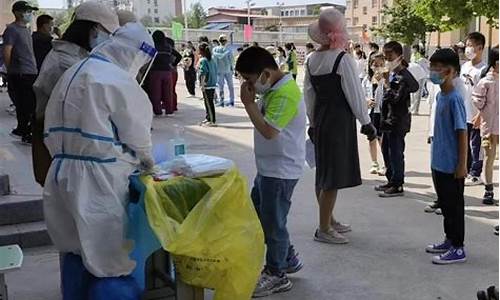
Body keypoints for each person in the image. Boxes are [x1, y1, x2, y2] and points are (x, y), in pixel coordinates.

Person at [43, 22, 156, 278]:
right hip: (98, 181)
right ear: (135, 54)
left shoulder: (74, 71)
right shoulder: (117, 80)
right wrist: (148, 162)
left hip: (60, 174)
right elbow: (138, 136)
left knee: (74, 251)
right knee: (109, 261)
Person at [236, 46, 305, 297]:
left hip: (280, 169)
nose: (248, 85)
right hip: (269, 167)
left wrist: (248, 105)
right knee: (262, 217)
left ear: (265, 74)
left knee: (273, 223)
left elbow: (269, 131)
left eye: (250, 79)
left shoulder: (285, 94)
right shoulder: (276, 89)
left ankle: (277, 273)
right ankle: (288, 258)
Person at [305, 8, 376, 244]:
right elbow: (354, 95)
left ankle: (329, 219)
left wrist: (313, 122)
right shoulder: (342, 59)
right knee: (332, 177)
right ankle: (324, 228)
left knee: (323, 173)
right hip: (339, 122)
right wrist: (366, 122)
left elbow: (309, 95)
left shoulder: (310, 59)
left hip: (321, 119)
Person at [32, 1, 119, 187]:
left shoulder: (77, 56)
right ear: (94, 29)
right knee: (67, 200)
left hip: (69, 140)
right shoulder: (66, 61)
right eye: (107, 33)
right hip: (57, 140)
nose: (109, 40)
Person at [425, 48, 467, 265]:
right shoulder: (441, 95)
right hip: (439, 162)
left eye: (438, 68)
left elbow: (462, 132)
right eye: (432, 67)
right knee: (445, 205)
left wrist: (462, 164)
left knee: (454, 207)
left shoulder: (454, 99)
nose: (433, 71)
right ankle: (449, 240)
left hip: (452, 165)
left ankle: (458, 248)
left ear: (451, 71)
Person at [375, 41, 419, 197]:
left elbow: (396, 98)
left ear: (399, 56)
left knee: (396, 152)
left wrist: (387, 84)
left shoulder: (403, 75)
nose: (387, 60)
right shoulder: (392, 73)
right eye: (385, 56)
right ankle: (390, 179)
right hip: (387, 119)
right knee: (386, 150)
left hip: (398, 120)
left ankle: (398, 183)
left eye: (390, 56)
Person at [3, 1, 39, 144]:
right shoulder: (12, 29)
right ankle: (24, 131)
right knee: (25, 104)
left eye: (30, 11)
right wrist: (11, 70)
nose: (29, 14)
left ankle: (25, 129)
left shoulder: (26, 29)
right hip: (21, 73)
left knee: (30, 103)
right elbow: (7, 50)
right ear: (17, 12)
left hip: (30, 71)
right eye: (27, 11)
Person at [472, 46, 499, 205]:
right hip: (489, 126)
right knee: (489, 157)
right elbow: (479, 102)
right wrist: (479, 116)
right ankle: (488, 189)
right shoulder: (486, 82)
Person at [461, 32, 487, 186]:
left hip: (476, 114)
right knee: (464, 145)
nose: (468, 49)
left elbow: (486, 96)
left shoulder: (483, 69)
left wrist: (479, 115)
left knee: (476, 145)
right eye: (467, 45)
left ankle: (476, 174)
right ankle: (467, 170)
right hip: (463, 113)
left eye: (471, 45)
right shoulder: (465, 66)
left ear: (480, 47)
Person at [362, 53, 386, 175]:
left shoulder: (386, 79)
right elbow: (361, 94)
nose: (377, 67)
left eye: (381, 64)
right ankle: (374, 163)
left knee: (381, 138)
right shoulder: (367, 79)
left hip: (381, 112)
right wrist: (366, 101)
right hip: (370, 112)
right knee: (371, 138)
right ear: (370, 65)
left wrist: (382, 80)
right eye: (375, 64)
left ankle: (386, 164)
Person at [148, 30, 174, 116]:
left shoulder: (153, 47)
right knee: (168, 92)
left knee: (156, 93)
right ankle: (169, 110)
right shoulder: (168, 47)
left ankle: (158, 111)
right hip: (167, 71)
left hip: (155, 71)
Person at [212, 34, 235, 107]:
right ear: (226, 41)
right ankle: (232, 100)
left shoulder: (215, 49)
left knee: (220, 86)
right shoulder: (228, 50)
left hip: (219, 71)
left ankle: (221, 100)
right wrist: (232, 68)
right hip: (227, 70)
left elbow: (214, 60)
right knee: (230, 86)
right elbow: (231, 60)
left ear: (219, 41)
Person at [198, 42, 217, 126]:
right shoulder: (212, 59)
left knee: (209, 103)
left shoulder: (203, 60)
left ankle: (212, 120)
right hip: (212, 83)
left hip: (207, 84)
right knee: (208, 102)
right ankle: (208, 117)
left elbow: (203, 73)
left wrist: (202, 85)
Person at [166, 37, 182, 112]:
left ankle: (173, 105)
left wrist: (173, 64)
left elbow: (179, 56)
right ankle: (173, 105)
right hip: (174, 71)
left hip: (172, 71)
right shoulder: (170, 50)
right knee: (172, 89)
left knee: (171, 89)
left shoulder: (170, 50)